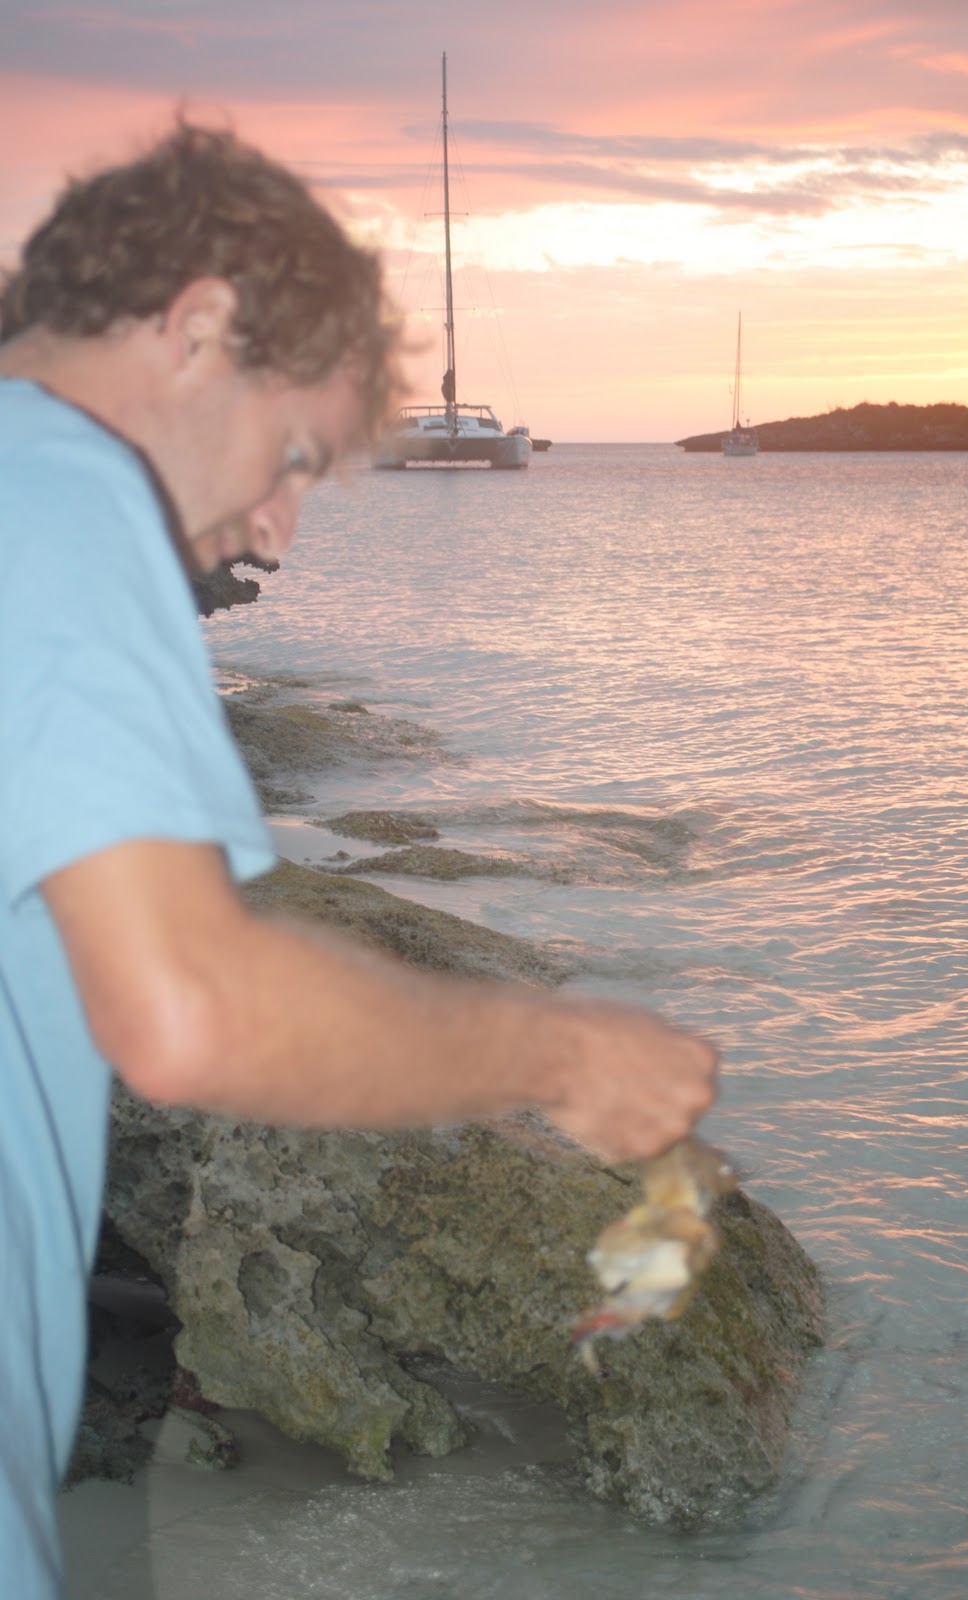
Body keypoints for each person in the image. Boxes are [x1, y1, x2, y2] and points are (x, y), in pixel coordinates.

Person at [0, 122, 718, 1594]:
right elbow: (191, 1010)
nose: (278, 525)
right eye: (294, 456)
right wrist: (563, 1050)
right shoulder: (61, 496)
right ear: (195, 328)